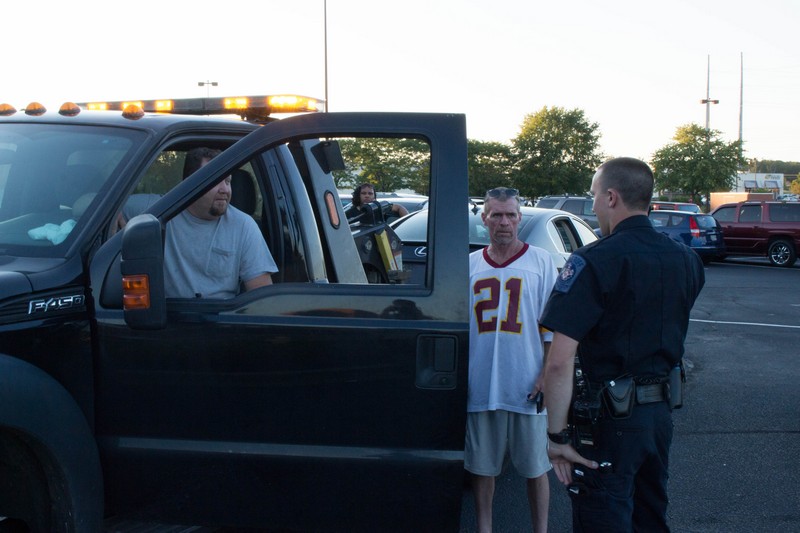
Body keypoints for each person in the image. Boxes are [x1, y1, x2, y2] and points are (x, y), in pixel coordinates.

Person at [539, 157, 705, 532]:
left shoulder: (593, 261)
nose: (594, 204)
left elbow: (559, 362)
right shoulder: (687, 259)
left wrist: (556, 437)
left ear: (612, 197)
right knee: (650, 516)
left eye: (595, 196)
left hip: (609, 423)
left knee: (604, 518)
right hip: (659, 417)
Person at [466, 186, 557, 533]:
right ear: (484, 219)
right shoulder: (470, 265)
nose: (503, 222)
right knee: (482, 468)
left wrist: (546, 374)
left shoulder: (540, 261)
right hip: (481, 383)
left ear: (520, 218)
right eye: (496, 215)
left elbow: (552, 328)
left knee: (536, 467)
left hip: (526, 384)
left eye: (510, 215)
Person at [164, 147, 277, 299]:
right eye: (216, 180)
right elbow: (121, 204)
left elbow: (263, 300)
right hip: (166, 318)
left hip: (221, 318)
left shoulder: (243, 226)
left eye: (228, 181)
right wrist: (118, 215)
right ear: (189, 184)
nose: (225, 189)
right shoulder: (161, 212)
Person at [344, 183, 408, 221]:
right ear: (358, 195)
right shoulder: (348, 213)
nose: (367, 196)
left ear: (374, 196)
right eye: (363, 193)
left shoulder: (379, 208)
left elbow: (399, 207)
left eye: (370, 193)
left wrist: (406, 223)